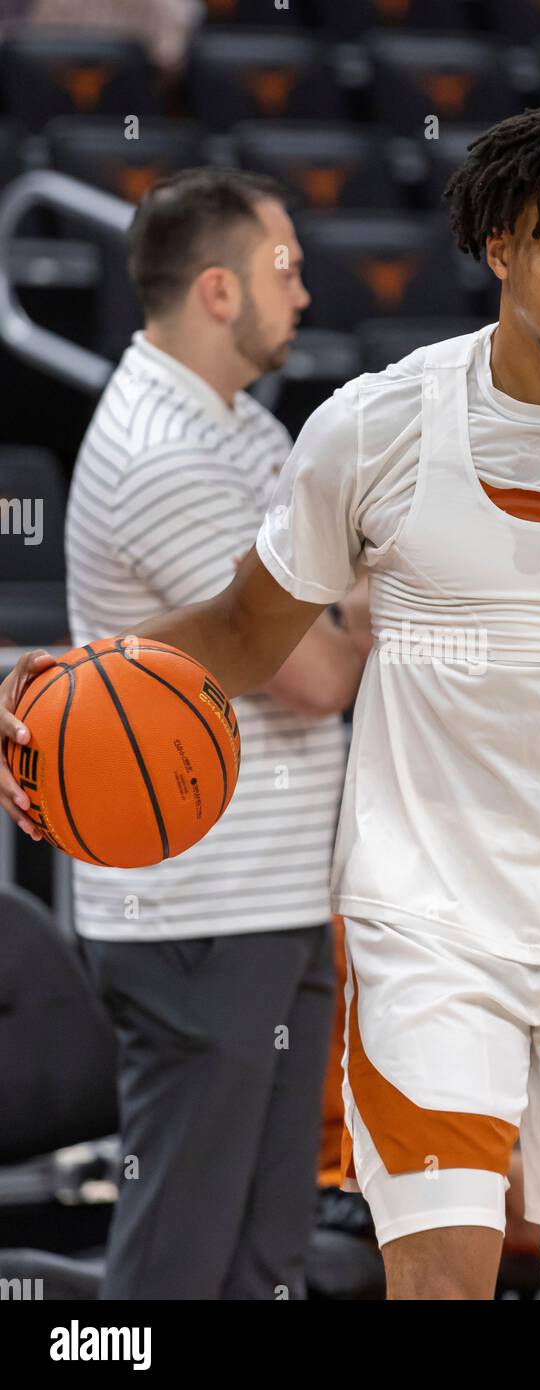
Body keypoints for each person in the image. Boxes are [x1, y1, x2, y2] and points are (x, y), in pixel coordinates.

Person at [1, 104, 540, 1301]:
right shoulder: (372, 425)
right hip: (427, 929)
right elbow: (245, 631)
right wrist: (70, 673)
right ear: (499, 245)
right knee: (439, 1278)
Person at [18, 167, 370, 1300]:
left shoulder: (241, 427)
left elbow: (347, 596)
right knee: (173, 1270)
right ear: (220, 290)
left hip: (268, 898)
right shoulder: (164, 451)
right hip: (195, 911)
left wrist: (353, 606)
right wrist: (361, 617)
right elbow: (314, 671)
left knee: (263, 1263)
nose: (305, 294)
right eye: (287, 268)